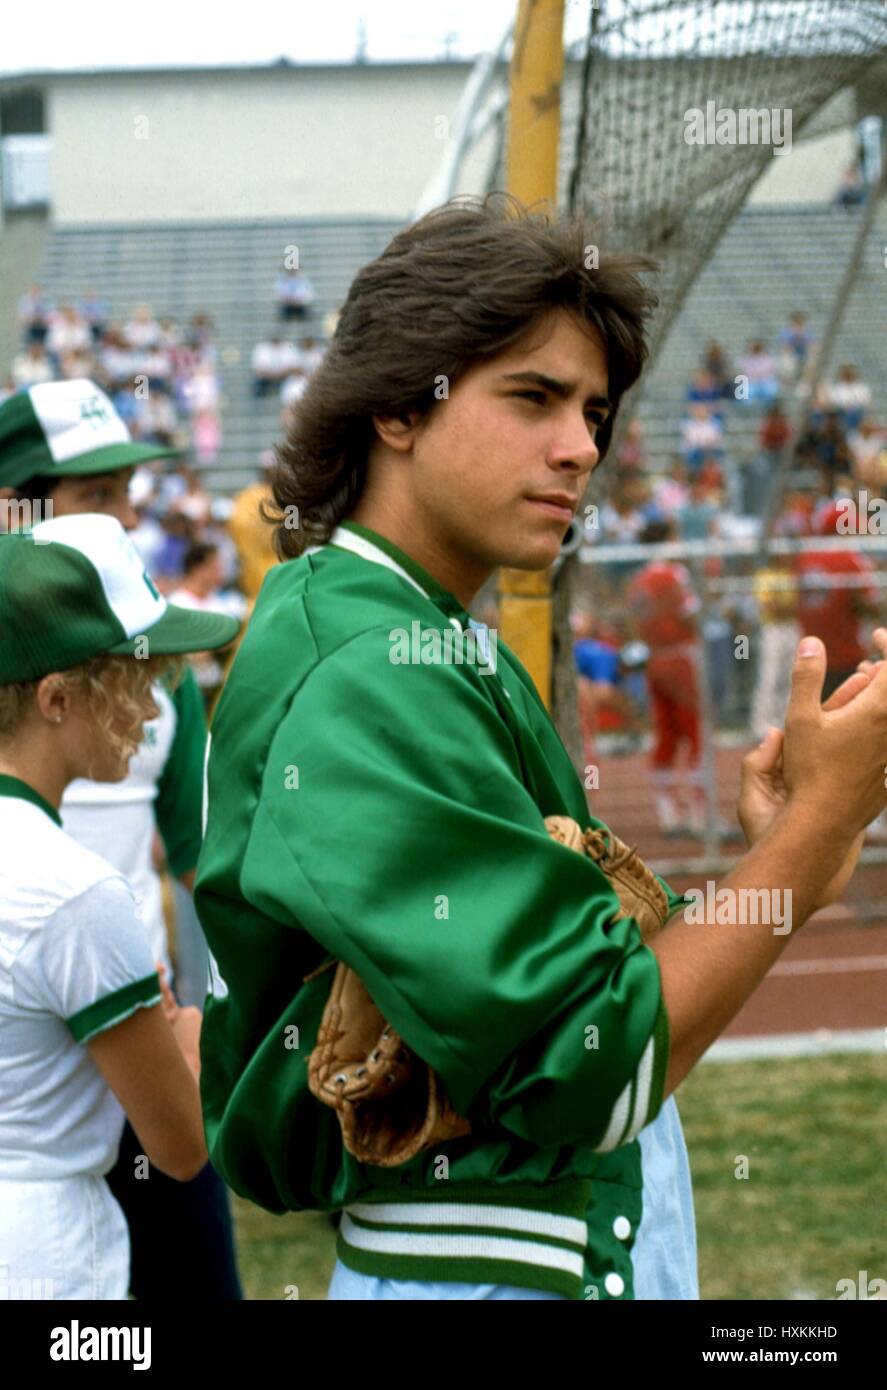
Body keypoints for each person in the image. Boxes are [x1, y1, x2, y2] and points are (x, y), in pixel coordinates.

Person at [193, 195, 886, 1303]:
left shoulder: (403, 630)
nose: (580, 448)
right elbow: (594, 1068)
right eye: (532, 397)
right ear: (396, 408)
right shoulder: (371, 664)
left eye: (594, 412)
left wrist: (788, 856)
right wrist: (809, 835)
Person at [0, 378, 244, 1300]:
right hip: (65, 1195)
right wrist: (192, 1036)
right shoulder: (68, 884)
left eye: (125, 497)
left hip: (114, 1032)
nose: (151, 701)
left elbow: (204, 858)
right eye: (93, 496)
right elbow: (185, 1138)